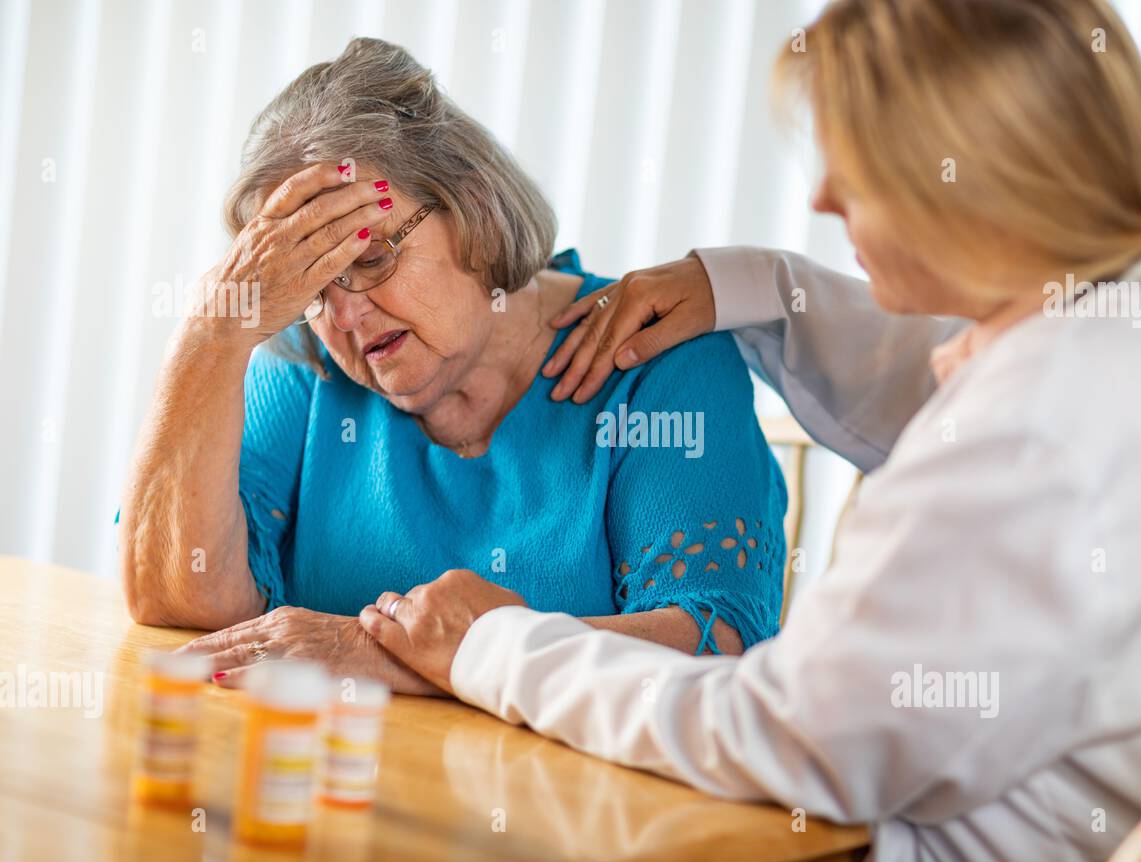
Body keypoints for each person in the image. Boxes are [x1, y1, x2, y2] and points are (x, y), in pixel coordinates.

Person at [346, 0, 1141, 862]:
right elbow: (923, 372)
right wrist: (750, 284)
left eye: (858, 161)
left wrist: (494, 645)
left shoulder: (1028, 429)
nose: (824, 198)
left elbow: (787, 743)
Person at [120, 38, 787, 692]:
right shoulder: (305, 365)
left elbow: (716, 650)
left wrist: (408, 655)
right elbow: (177, 601)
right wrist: (213, 332)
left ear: (475, 209)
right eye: (310, 287)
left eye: (370, 257)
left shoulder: (660, 358)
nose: (344, 319)